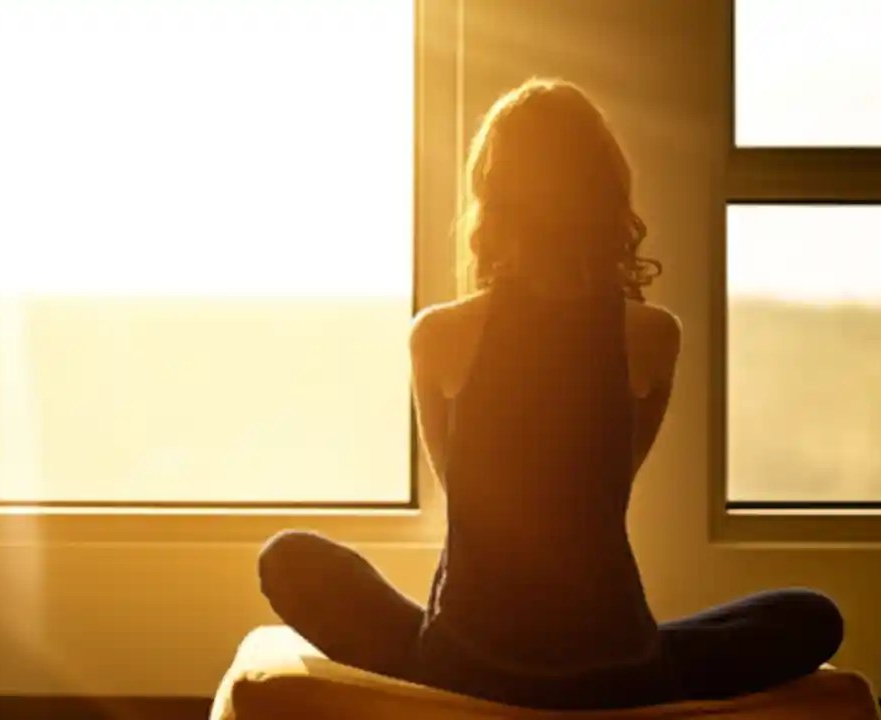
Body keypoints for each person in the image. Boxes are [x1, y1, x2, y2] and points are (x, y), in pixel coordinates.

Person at [256, 77, 844, 711]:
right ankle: (646, 653)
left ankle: (431, 654)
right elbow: (605, 490)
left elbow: (463, 494)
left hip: (465, 662)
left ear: (493, 197)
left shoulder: (438, 335)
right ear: (605, 193)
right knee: (811, 618)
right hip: (619, 669)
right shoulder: (652, 336)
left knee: (287, 560)